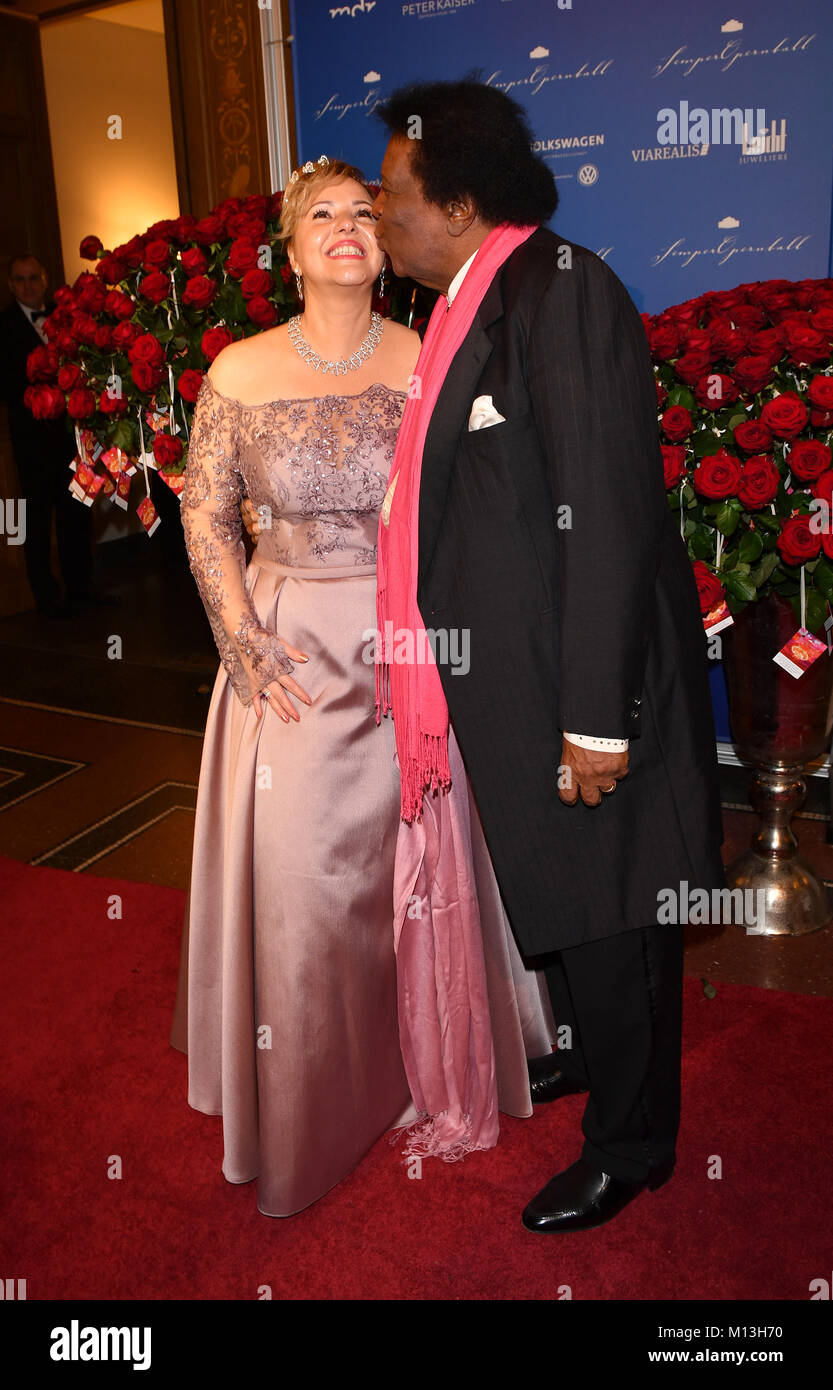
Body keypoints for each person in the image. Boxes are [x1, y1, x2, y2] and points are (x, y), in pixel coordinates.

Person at [370, 79, 726, 1232]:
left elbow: (606, 512)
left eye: (393, 195)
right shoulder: (477, 298)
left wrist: (595, 719)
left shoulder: (559, 294)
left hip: (581, 680)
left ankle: (632, 1145)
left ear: (461, 205)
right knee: (568, 898)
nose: (380, 215)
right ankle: (587, 1057)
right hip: (514, 675)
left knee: (615, 911)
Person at [170, 156, 554, 1217]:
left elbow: (471, 505)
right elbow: (204, 514)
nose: (345, 226)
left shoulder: (428, 355)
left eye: (361, 213)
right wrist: (239, 638)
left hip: (408, 652)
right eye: (320, 215)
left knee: (413, 870)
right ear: (288, 252)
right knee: (304, 887)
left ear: (384, 248)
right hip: (287, 648)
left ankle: (416, 1067)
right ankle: (302, 1097)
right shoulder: (238, 370)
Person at [0, 255, 99, 616]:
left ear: (45, 280)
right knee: (35, 520)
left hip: (71, 437)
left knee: (77, 512)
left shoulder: (65, 317)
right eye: (19, 279)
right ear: (11, 285)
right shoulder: (4, 327)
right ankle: (45, 597)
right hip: (31, 442)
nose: (27, 285)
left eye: (33, 278)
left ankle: (82, 589)